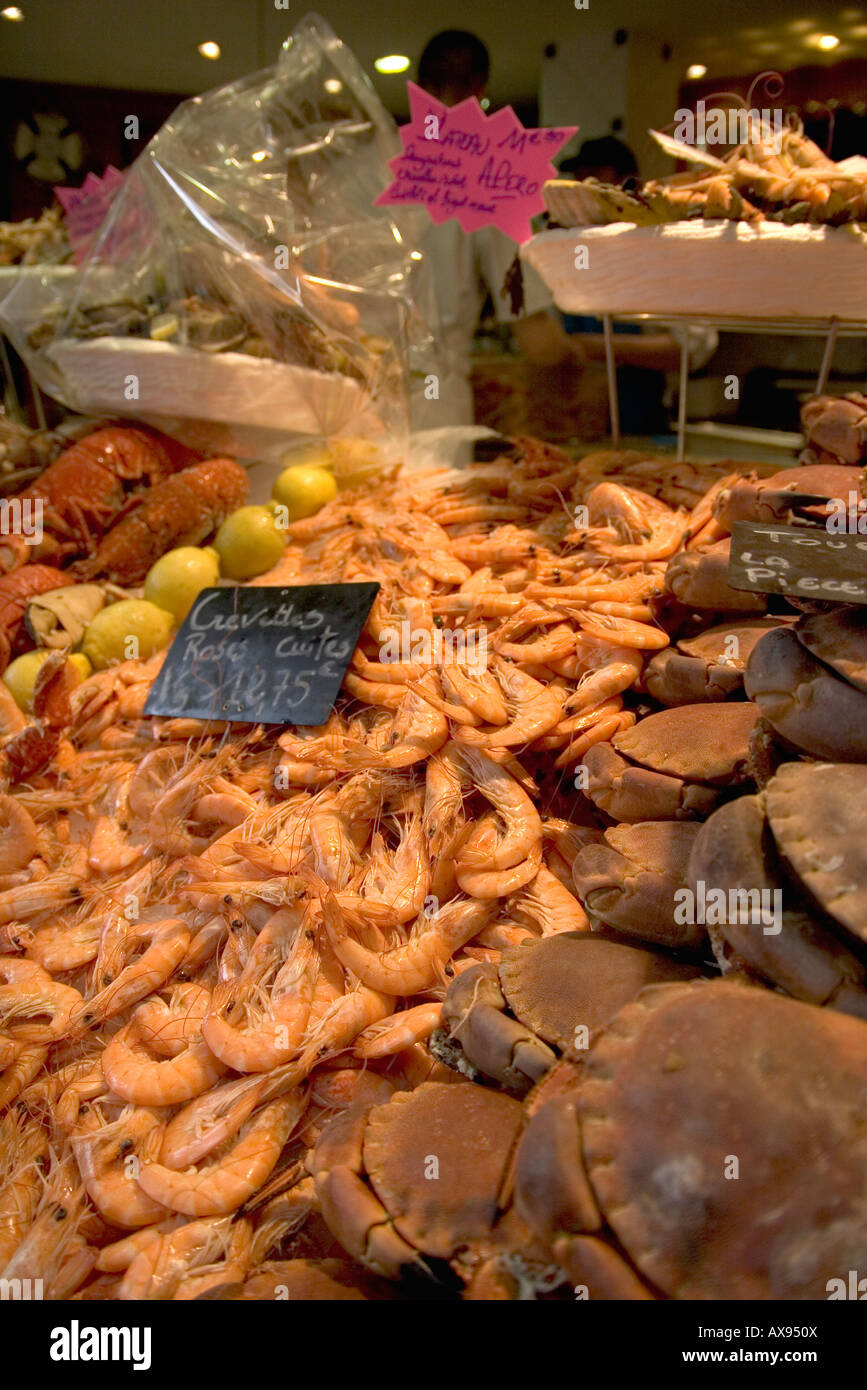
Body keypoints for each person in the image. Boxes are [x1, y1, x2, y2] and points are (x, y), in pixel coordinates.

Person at [413, 30, 584, 434]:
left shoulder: (371, 162)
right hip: (432, 407)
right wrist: (575, 357)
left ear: (420, 84)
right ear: (479, 88)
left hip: (350, 399)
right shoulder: (487, 176)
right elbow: (537, 340)